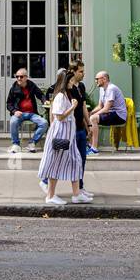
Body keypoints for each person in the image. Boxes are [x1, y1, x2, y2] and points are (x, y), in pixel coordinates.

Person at [38, 68, 90, 205]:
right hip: (61, 134)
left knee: (75, 162)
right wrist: (72, 108)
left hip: (68, 134)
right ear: (66, 81)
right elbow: (59, 116)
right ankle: (50, 195)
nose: (73, 83)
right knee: (55, 164)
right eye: (71, 80)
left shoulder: (66, 95)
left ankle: (76, 194)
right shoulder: (60, 96)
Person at [5, 68, 48, 154]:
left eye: (21, 77)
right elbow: (9, 104)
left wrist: (44, 100)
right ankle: (16, 144)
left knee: (44, 123)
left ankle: (32, 143)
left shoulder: (31, 85)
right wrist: (14, 111)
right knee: (13, 122)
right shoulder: (14, 88)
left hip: (32, 113)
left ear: (26, 77)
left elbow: (40, 94)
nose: (18, 79)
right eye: (17, 76)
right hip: (19, 113)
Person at [87, 70, 128, 155]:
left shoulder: (111, 88)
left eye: (97, 79)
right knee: (88, 117)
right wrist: (90, 112)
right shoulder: (102, 89)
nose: (95, 81)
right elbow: (100, 106)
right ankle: (90, 145)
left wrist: (93, 115)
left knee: (93, 118)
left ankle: (94, 148)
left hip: (119, 116)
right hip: (111, 113)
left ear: (104, 79)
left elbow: (105, 109)